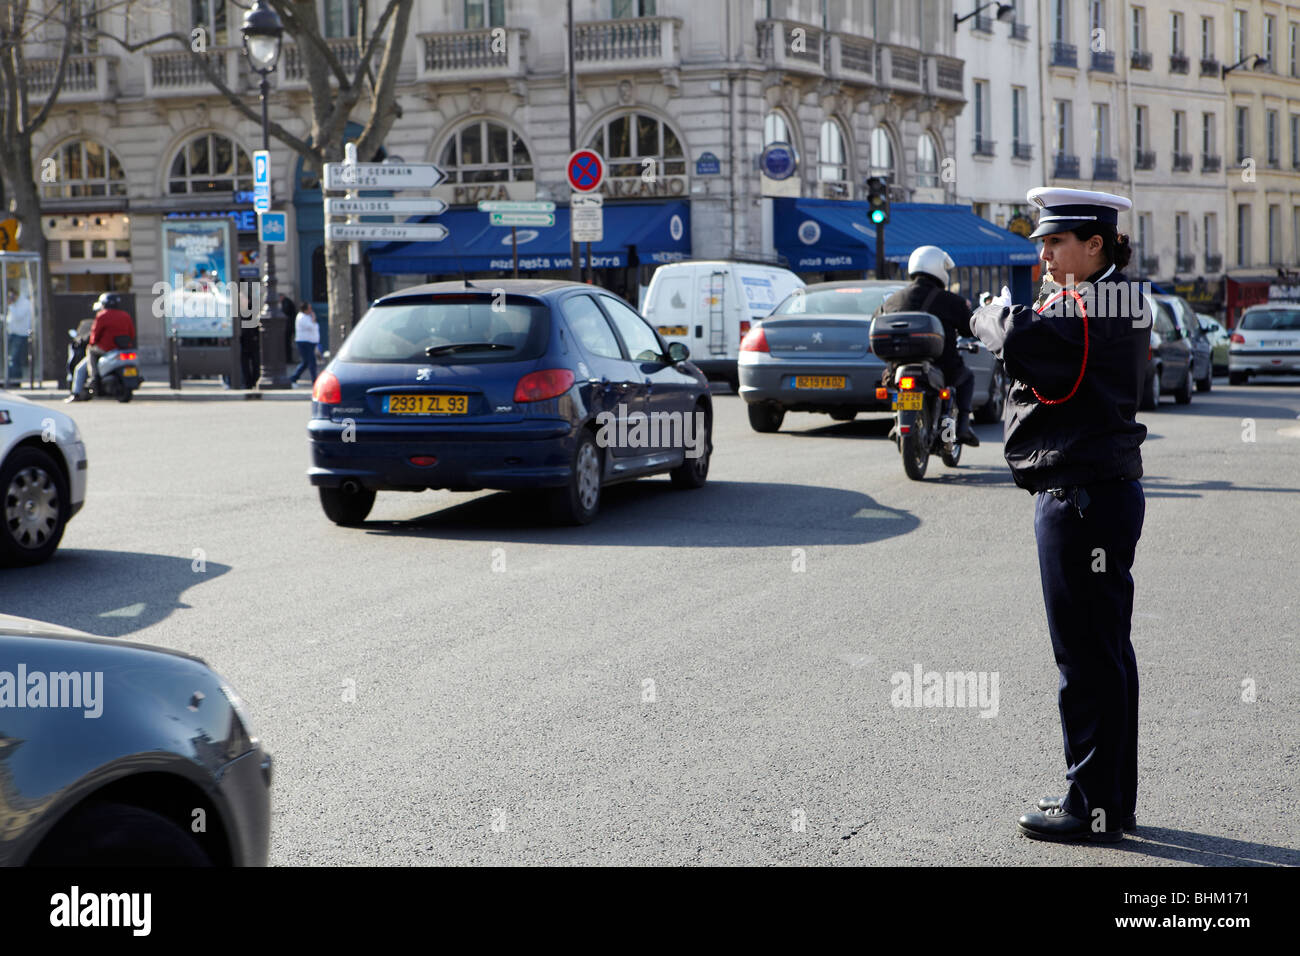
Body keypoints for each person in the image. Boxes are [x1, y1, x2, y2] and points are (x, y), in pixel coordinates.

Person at [969, 187, 1147, 843]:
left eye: (1056, 241)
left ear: (1095, 244)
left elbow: (1017, 335)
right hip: (1103, 491)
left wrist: (984, 313)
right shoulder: (1118, 298)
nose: (1042, 252)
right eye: (1041, 241)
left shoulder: (1086, 306)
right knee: (1108, 653)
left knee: (1084, 660)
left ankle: (1088, 807)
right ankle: (1110, 800)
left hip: (1079, 497)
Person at [874, 245, 980, 446]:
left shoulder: (893, 300)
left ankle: (898, 422)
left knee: (895, 387)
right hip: (943, 365)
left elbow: (876, 320)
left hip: (897, 366)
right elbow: (969, 330)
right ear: (938, 268)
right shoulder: (951, 301)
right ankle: (963, 427)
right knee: (966, 378)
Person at [67, 292, 135, 402]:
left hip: (106, 348)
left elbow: (94, 335)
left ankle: (92, 378)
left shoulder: (102, 315)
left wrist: (92, 343)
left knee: (90, 351)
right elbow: (131, 333)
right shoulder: (125, 315)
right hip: (123, 349)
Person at [4, 286, 32, 387]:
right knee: (10, 358)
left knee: (15, 358)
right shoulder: (16, 304)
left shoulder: (24, 303)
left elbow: (18, 316)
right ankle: (11, 378)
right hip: (12, 333)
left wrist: (10, 305)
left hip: (20, 335)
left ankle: (15, 380)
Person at [288, 301, 320, 387]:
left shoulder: (307, 316)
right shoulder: (301, 317)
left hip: (311, 342)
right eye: (309, 308)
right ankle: (315, 381)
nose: (311, 310)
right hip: (305, 342)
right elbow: (311, 327)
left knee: (306, 362)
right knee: (311, 362)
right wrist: (313, 318)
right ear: (305, 309)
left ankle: (294, 378)